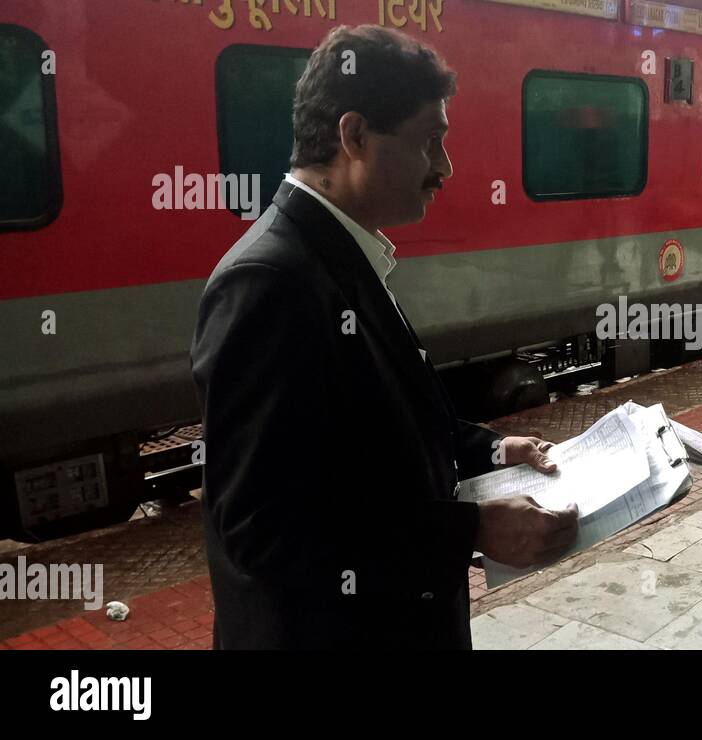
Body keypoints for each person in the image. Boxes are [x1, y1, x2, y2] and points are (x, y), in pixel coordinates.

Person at [191, 25, 578, 649]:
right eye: (431, 143)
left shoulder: (337, 256)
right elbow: (261, 530)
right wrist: (470, 531)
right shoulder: (269, 283)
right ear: (355, 136)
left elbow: (379, 431)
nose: (445, 168)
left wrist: (489, 450)